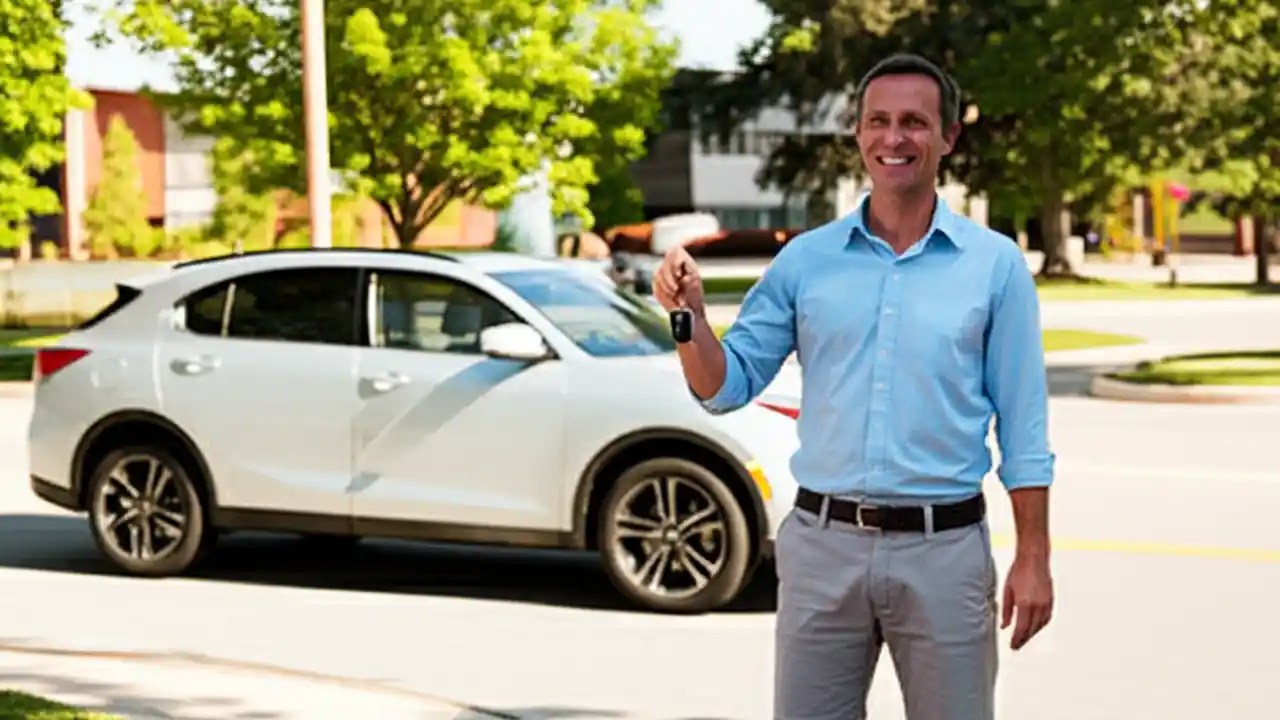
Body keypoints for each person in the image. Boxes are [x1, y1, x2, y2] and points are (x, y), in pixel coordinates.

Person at [653, 53, 1055, 720]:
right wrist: (689, 318)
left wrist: (1033, 556)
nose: (894, 139)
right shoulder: (805, 261)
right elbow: (724, 386)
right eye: (879, 121)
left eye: (914, 123)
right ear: (859, 133)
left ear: (948, 137)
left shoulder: (995, 267)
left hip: (944, 550)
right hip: (823, 546)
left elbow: (1025, 427)